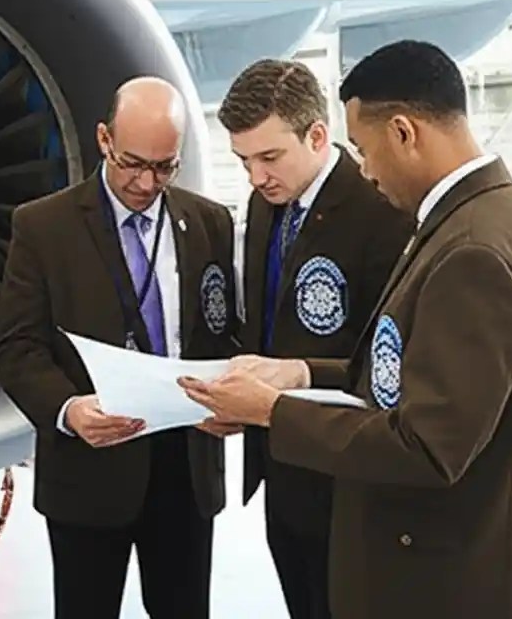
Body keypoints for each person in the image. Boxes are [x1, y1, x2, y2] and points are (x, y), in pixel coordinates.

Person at [180, 39, 512, 619]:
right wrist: (300, 372)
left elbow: (427, 446)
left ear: (404, 133)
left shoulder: (472, 251)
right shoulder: (510, 216)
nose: (362, 168)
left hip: (445, 573)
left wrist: (273, 412)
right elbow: (405, 375)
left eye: (363, 149)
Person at [0, 76, 241, 619]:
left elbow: (224, 335)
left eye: (164, 167)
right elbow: (17, 346)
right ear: (104, 139)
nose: (146, 182)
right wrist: (67, 409)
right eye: (133, 163)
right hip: (89, 469)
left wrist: (233, 398)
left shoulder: (208, 223)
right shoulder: (43, 227)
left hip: (186, 468)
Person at [215, 58, 412, 619]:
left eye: (269, 157)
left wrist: (300, 376)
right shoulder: (266, 203)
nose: (256, 176)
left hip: (350, 474)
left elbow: (390, 355)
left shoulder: (381, 209)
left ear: (318, 136)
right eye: (244, 161)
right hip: (282, 466)